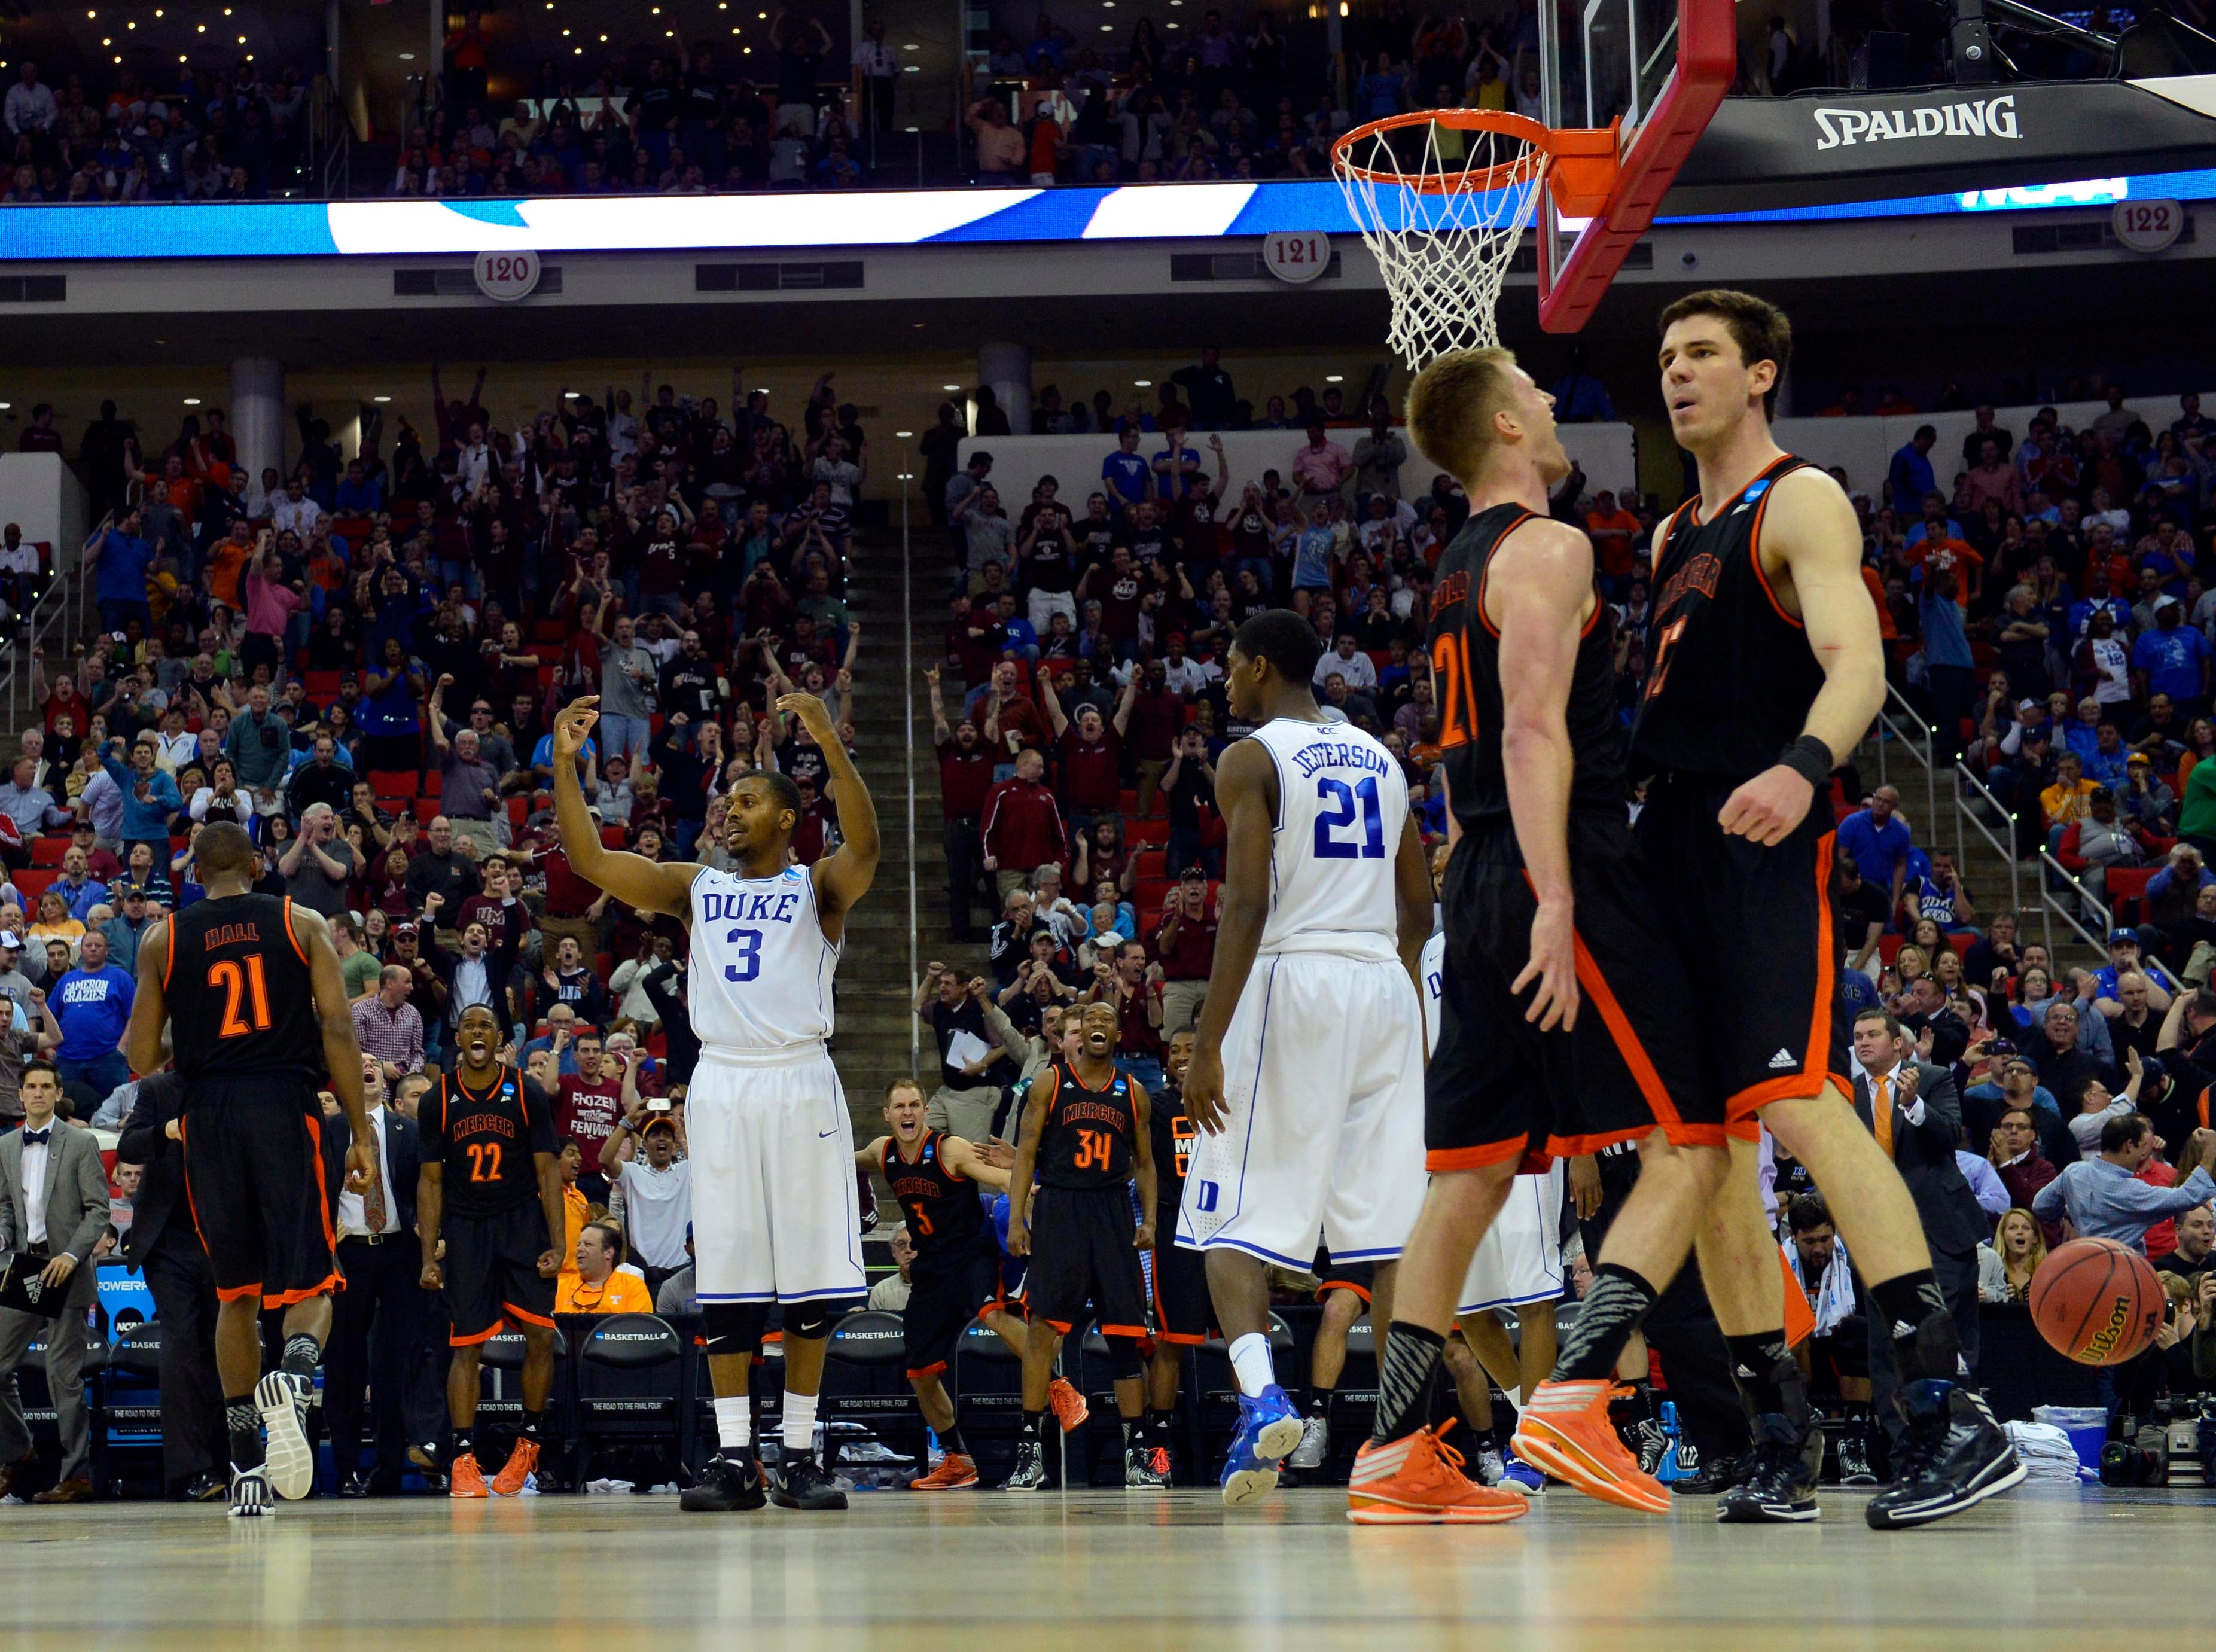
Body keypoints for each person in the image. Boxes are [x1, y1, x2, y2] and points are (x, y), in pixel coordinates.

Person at [1633, 291, 2019, 1528]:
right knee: (1698, 1156)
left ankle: (1947, 1411)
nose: (1675, 373)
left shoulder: (1796, 499)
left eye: (1698, 354)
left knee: (1796, 1101)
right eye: (1662, 358)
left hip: (1761, 834)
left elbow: (1855, 658)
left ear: (1759, 374)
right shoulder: (1664, 536)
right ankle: (1771, 1435)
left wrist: (1804, 766)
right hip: (1671, 848)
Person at [1349, 349, 1725, 1528]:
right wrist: (1561, 900)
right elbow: (1527, 734)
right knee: (1691, 1139)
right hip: (1557, 865)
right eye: (1540, 391)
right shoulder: (1549, 547)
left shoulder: (1454, 569)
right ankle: (1575, 1394)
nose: (1562, 402)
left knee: (1461, 1182)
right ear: (1508, 424)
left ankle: (1393, 1448)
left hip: (1478, 878)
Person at [550, 687, 879, 1517]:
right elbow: (592, 861)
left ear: (786, 820)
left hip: (800, 1076)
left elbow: (869, 842)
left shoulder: (819, 887)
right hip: (724, 1082)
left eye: (746, 801)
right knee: (728, 1277)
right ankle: (736, 1458)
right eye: (726, 800)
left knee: (809, 1282)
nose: (728, 811)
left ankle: (799, 1455)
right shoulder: (697, 886)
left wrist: (830, 746)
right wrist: (562, 762)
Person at [1171, 608, 1437, 1511]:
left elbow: (1244, 904)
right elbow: (1420, 909)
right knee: (1389, 1234)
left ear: (1254, 669)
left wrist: (1207, 1041)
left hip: (1297, 978)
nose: (1225, 681)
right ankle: (1404, 1441)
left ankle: (1263, 1396)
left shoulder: (1250, 757)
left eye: (1229, 667)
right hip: (1383, 986)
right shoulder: (1382, 756)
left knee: (1227, 1218)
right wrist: (1390, 996)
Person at [121, 820, 375, 1517]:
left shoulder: (163, 937)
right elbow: (338, 1028)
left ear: (194, 871)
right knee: (312, 1276)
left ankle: (245, 1466)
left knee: (234, 1291)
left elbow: (142, 1055)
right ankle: (292, 1379)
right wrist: (359, 1133)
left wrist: (196, 1024)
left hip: (209, 1114)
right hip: (284, 1104)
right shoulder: (301, 920)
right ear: (259, 864)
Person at [1004, 1000, 1159, 1490]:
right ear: (1074, 1036)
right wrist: (1016, 1218)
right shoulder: (1051, 1083)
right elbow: (1025, 1151)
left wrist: (1149, 1218)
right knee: (1041, 1331)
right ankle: (1029, 1451)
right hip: (1060, 1210)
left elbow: (1146, 1164)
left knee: (1125, 1334)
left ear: (1117, 1036)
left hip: (1112, 1212)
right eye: (1088, 1020)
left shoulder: (1133, 1093)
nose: (1097, 1024)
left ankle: (1138, 1453)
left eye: (1106, 1020)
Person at [855, 1077, 1035, 1492]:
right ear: (887, 1115)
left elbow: (993, 1176)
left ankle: (1059, 1386)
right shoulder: (882, 1152)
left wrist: (1026, 1192)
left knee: (991, 1313)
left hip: (971, 1254)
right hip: (931, 1268)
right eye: (899, 1107)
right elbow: (843, 1160)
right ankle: (957, 1459)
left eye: (914, 1105)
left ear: (925, 1111)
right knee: (919, 1370)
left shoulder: (947, 1148)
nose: (907, 1113)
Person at [417, 1004, 566, 1499]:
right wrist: (428, 1256)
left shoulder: (525, 1091)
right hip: (466, 1229)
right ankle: (463, 1459)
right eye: (468, 1026)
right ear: (456, 1038)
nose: (477, 1032)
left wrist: (559, 1241)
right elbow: (430, 1182)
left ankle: (528, 1443)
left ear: (500, 1037)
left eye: (485, 1025)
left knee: (541, 1337)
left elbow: (548, 1171)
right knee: (466, 1346)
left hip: (522, 1222)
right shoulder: (437, 1100)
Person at [1848, 1009, 1989, 1456]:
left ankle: (1955, 1436)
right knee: (1884, 1341)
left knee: (1939, 1335)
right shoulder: (1845, 1095)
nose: (1864, 1042)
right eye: (1857, 1037)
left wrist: (1912, 1105)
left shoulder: (1929, 1079)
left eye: (1873, 1034)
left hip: (1938, 1227)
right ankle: (1903, 1446)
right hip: (1877, 1233)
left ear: (1897, 1044)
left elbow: (1949, 1135)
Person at [0, 1060, 111, 1503]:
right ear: (21, 1095)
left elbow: (99, 1211)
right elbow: (6, 1204)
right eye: (32, 1087)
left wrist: (70, 1254)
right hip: (27, 1266)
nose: (39, 1093)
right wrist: (3, 1236)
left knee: (61, 1374)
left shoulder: (81, 1143)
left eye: (47, 1086)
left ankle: (76, 1475)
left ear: (58, 1092)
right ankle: (20, 1454)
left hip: (67, 1267)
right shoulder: (7, 1146)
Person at [115, 1068, 227, 1500]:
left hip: (223, 1239)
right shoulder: (159, 1089)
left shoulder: (234, 1084)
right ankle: (188, 1471)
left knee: (223, 1350)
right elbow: (129, 1144)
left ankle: (226, 1462)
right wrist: (167, 1129)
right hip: (169, 1241)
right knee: (179, 1348)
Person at [319, 1054, 426, 1499]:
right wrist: (324, 1235)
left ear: (384, 1081)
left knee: (394, 1365)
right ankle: (344, 1470)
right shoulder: (328, 1131)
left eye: (373, 1063)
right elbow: (312, 1190)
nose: (364, 1064)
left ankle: (388, 1470)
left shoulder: (408, 1132)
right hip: (349, 1256)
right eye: (356, 1060)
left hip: (400, 1254)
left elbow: (425, 1190)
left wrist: (428, 1232)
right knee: (344, 1366)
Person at [2035, 1115, 2216, 1252]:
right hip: (2124, 1276)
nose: (2146, 1153)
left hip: (2085, 1269)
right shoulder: (2131, 1191)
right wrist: (2211, 1151)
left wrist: (2065, 1217)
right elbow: (2189, 1197)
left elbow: (2041, 1206)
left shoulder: (2074, 1172)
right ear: (2129, 1146)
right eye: (2142, 1146)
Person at [49, 928, 133, 1099]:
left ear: (107, 951)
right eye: (88, 945)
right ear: (81, 951)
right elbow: (50, 1016)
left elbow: (135, 1017)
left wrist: (122, 1047)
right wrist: (50, 1047)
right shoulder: (66, 980)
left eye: (98, 945)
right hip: (68, 1059)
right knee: (68, 1112)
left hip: (108, 1058)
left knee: (114, 1112)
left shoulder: (120, 978)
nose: (93, 949)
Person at [557, 1221, 653, 1313]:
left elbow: (639, 1327)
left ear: (608, 1253)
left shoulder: (633, 1287)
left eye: (587, 1245)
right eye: (578, 1245)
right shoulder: (561, 1287)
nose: (579, 1249)